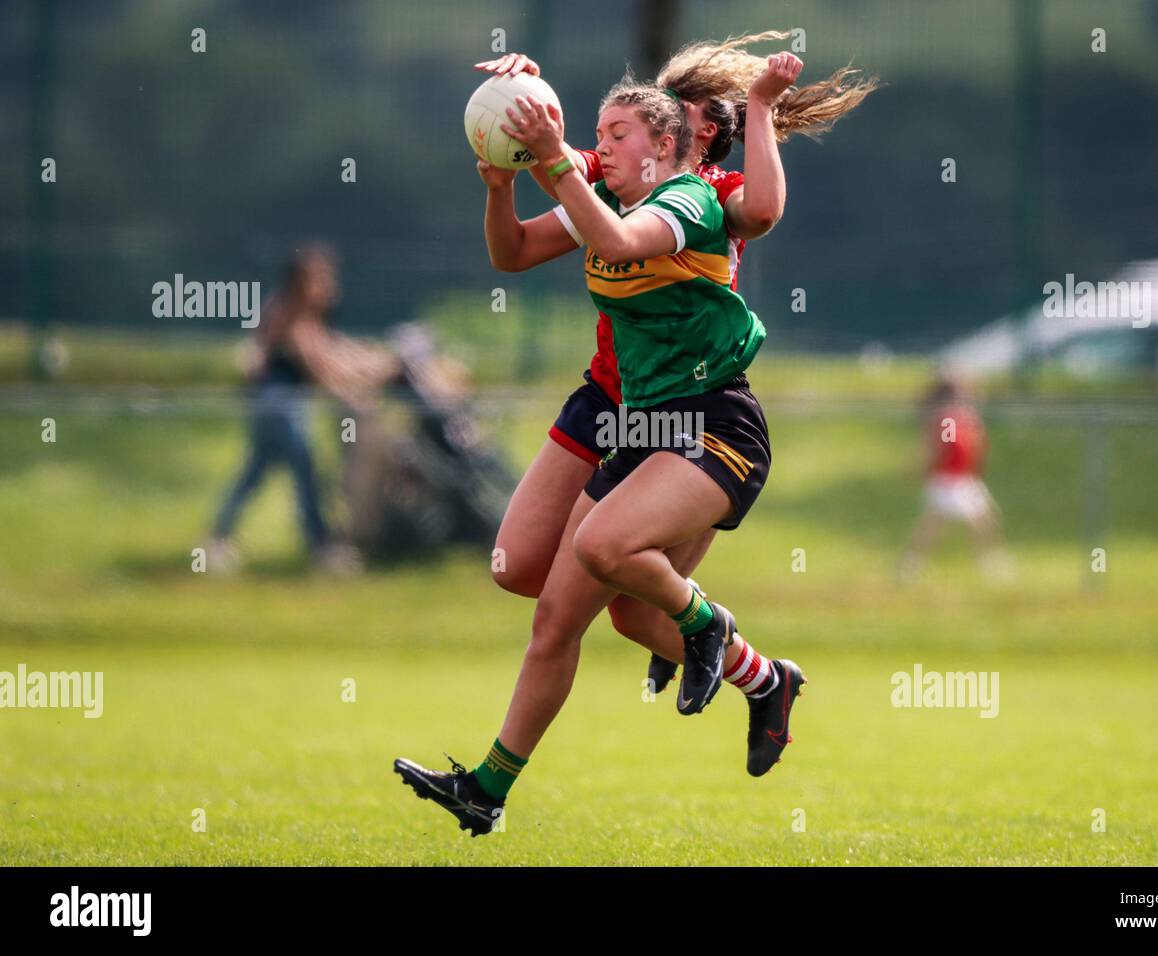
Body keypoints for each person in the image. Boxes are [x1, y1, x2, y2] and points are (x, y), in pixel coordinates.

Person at [396, 76, 818, 835]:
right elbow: (517, 250)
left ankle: (706, 626)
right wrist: (508, 167)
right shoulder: (609, 184)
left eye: (619, 133)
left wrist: (557, 153)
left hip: (713, 423)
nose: (602, 146)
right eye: (601, 131)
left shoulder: (694, 196)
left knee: (604, 556)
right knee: (558, 601)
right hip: (636, 420)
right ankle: (486, 792)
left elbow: (631, 240)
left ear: (672, 141)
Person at [472, 36, 876, 696]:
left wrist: (764, 108)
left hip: (681, 413)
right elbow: (541, 186)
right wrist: (519, 102)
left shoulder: (711, 195)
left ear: (705, 128)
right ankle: (730, 654)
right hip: (607, 397)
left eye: (670, 109)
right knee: (517, 569)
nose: (650, 121)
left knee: (609, 610)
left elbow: (764, 211)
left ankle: (718, 650)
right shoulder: (614, 173)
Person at [208, 244, 393, 574]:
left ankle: (218, 539)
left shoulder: (310, 318)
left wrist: (375, 362)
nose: (328, 287)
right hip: (277, 404)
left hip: (280, 405)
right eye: (320, 279)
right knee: (304, 468)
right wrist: (353, 390)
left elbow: (336, 352)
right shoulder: (289, 314)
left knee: (257, 470)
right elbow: (318, 366)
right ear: (299, 281)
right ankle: (321, 546)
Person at [899, 378, 1011, 582]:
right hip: (949, 480)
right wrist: (920, 466)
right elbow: (943, 446)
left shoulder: (965, 417)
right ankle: (910, 564)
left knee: (983, 520)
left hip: (964, 478)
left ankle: (990, 562)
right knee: (935, 525)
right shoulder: (949, 418)